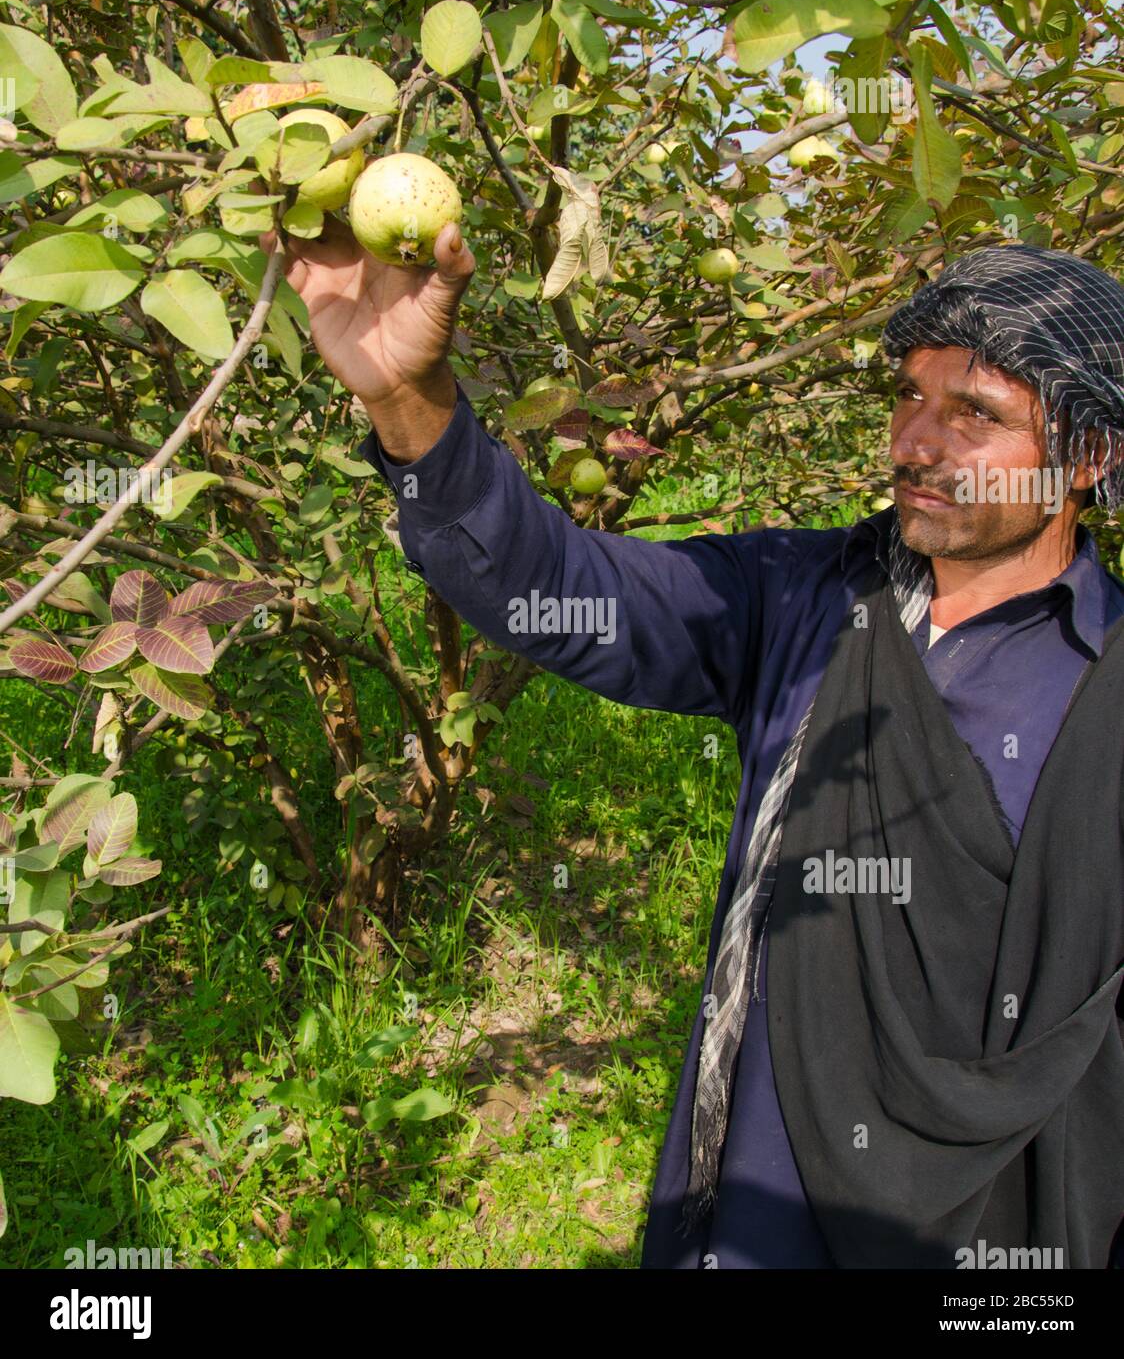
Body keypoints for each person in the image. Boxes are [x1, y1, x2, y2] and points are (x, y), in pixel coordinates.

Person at [265, 218, 1124, 1269]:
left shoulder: (1106, 691)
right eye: (906, 396)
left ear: (1088, 456)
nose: (914, 442)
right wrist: (406, 400)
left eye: (972, 414)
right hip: (759, 1204)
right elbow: (558, 598)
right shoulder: (801, 600)